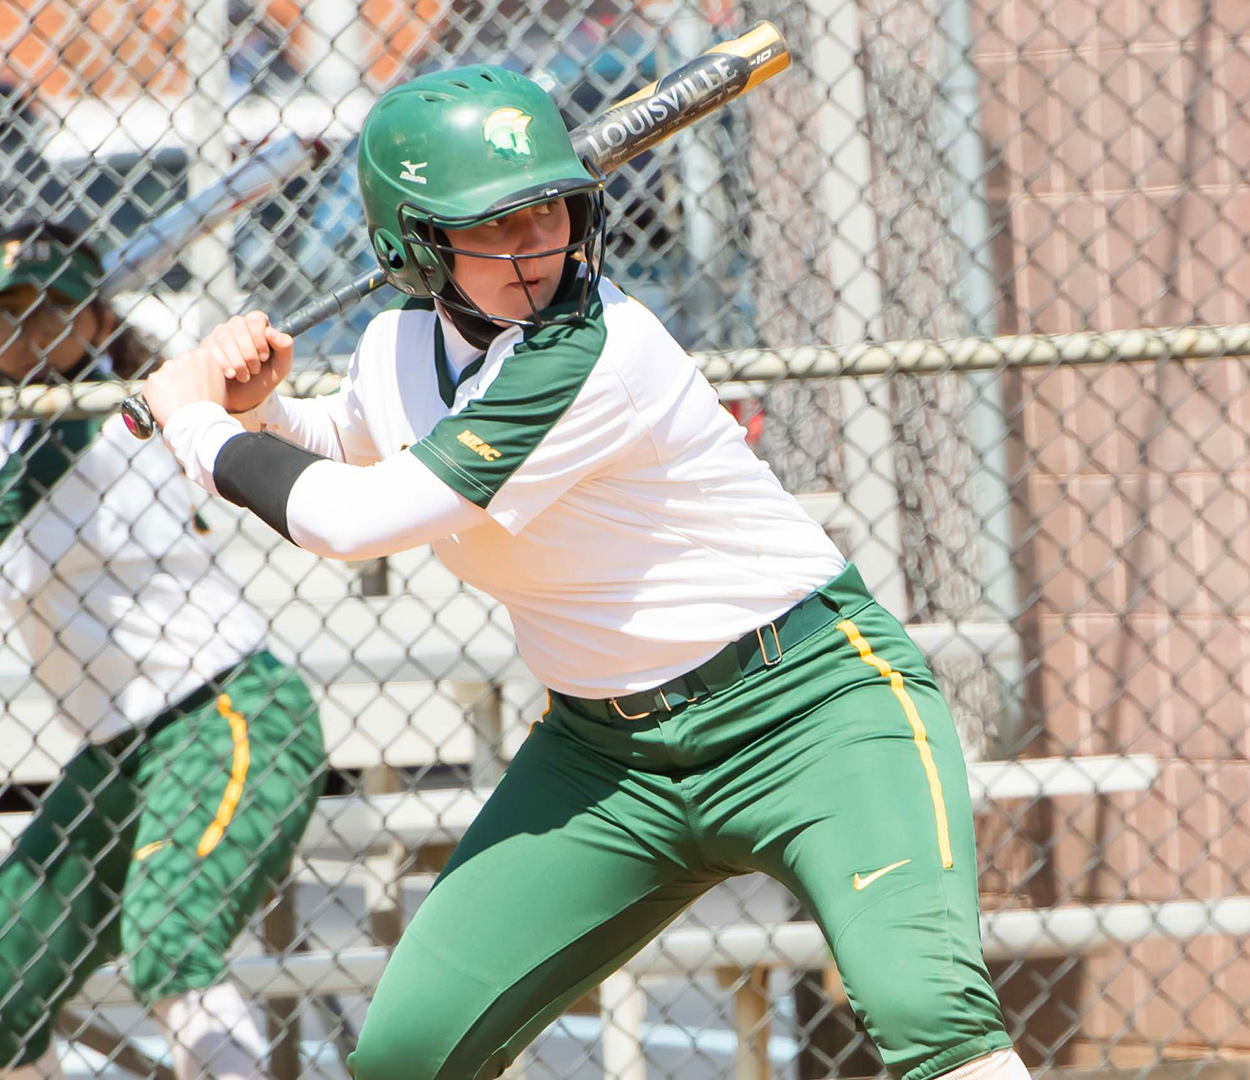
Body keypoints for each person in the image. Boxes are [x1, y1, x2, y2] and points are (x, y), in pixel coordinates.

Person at [140, 64, 1025, 1080]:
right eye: (494, 223)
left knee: (929, 1013)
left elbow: (353, 519)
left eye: (549, 210)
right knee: (407, 1059)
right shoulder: (394, 347)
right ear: (413, 246)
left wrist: (197, 427)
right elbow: (354, 442)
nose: (536, 245)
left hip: (807, 710)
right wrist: (259, 409)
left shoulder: (594, 349)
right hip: (606, 761)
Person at [0, 221, 326, 1080]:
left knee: (171, 943)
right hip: (117, 751)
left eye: (55, 311)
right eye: (6, 315)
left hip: (225, 715)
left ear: (100, 323)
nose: (31, 333)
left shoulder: (98, 420)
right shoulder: (12, 425)